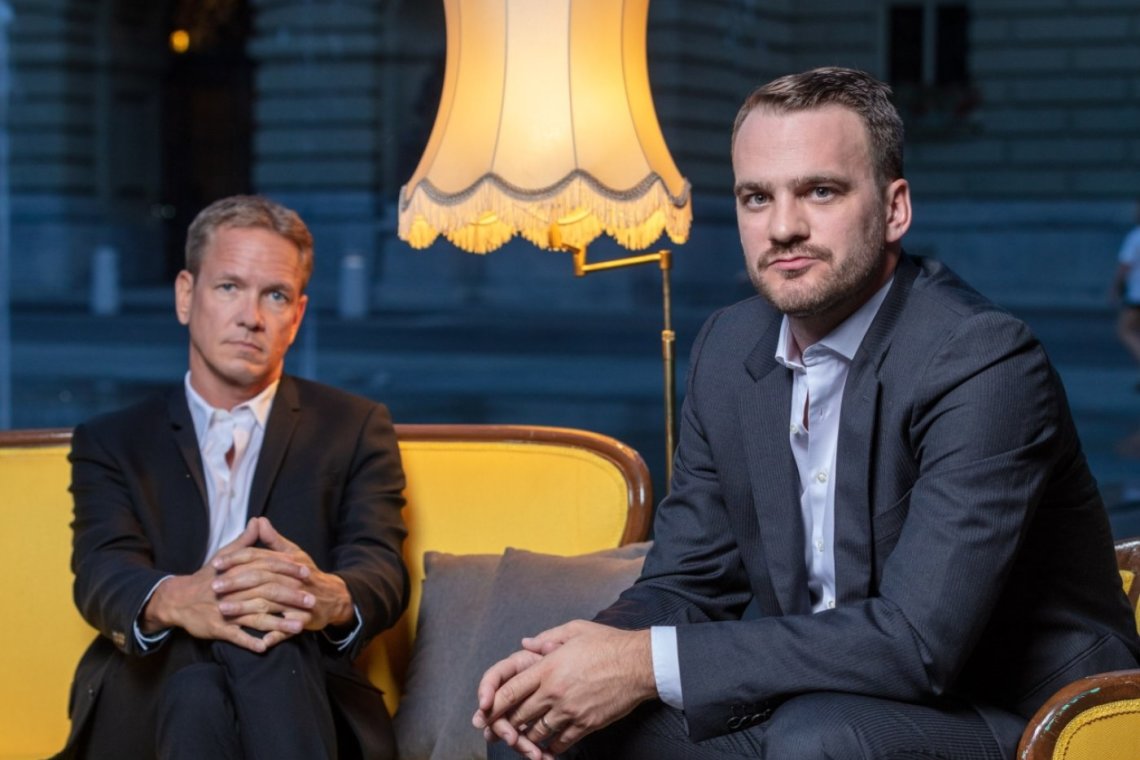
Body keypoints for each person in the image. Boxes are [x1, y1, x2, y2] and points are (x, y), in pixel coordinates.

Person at [473, 67, 1140, 760]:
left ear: (895, 209)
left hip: (1029, 716)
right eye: (756, 198)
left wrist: (640, 663)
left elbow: (919, 642)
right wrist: (584, 657)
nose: (783, 227)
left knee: (819, 739)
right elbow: (689, 581)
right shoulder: (730, 347)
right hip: (823, 704)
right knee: (545, 731)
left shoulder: (983, 359)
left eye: (820, 191)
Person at [57, 195, 409, 760]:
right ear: (184, 296)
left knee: (258, 643)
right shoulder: (113, 439)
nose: (252, 316)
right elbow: (102, 568)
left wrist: (324, 596)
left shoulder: (355, 426)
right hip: (148, 687)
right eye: (229, 287)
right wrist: (178, 598)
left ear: (296, 316)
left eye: (275, 295)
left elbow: (379, 564)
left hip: (299, 682)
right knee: (202, 672)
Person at [1110, 200, 1140, 388]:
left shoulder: (1135, 236)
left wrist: (1115, 288)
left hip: (1137, 295)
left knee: (1125, 330)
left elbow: (1124, 267)